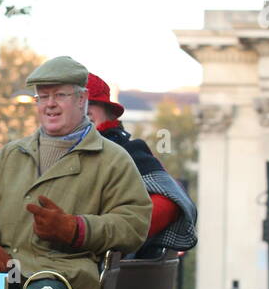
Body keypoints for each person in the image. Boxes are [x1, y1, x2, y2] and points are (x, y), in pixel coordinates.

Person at [0, 55, 152, 289]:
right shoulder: (10, 154)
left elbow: (133, 224)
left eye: (60, 95)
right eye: (43, 97)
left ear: (82, 99)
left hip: (63, 273)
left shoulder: (113, 159)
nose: (50, 105)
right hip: (1, 268)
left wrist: (76, 229)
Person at [85, 73, 198, 255]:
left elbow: (172, 201)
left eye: (89, 103)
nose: (83, 111)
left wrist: (114, 234)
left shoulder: (129, 152)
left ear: (109, 112)